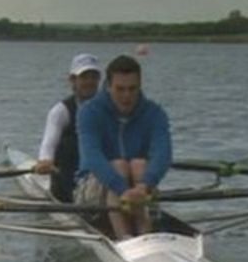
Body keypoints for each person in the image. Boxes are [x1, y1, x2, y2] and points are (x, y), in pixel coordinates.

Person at [75, 54, 172, 239]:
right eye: (120, 89)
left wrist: (145, 185)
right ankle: (124, 237)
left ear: (140, 86)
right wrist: (122, 189)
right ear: (108, 86)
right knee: (118, 165)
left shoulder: (155, 113)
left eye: (132, 89)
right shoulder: (89, 112)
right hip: (93, 190)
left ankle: (145, 235)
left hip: (139, 188)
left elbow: (163, 154)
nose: (126, 96)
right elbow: (92, 157)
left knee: (139, 165)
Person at [35, 53, 102, 202]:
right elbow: (48, 143)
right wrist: (45, 160)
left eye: (94, 77)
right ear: (72, 80)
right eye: (84, 77)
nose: (90, 82)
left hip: (99, 181)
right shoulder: (60, 111)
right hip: (68, 187)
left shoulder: (109, 109)